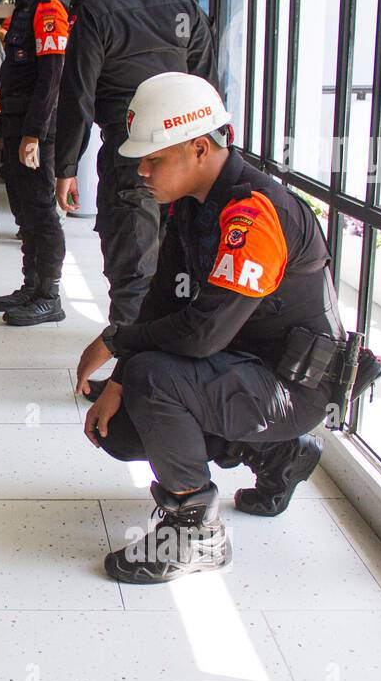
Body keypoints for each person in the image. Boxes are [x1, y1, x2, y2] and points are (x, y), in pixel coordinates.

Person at [74, 73, 341, 584]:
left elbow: (201, 336)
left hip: (295, 389)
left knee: (155, 378)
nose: (143, 172)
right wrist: (120, 374)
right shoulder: (195, 204)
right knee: (123, 425)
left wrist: (119, 345)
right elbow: (159, 301)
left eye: (154, 159)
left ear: (199, 148)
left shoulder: (256, 213)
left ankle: (197, 531)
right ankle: (278, 453)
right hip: (249, 370)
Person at [56, 0, 217, 327]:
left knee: (132, 272)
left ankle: (130, 383)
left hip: (132, 156)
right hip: (188, 160)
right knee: (180, 269)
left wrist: (66, 168)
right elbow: (206, 90)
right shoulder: (185, 6)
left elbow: (77, 95)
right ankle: (163, 374)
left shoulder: (94, 13)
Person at [0, 0, 72, 325]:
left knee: (41, 210)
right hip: (16, 123)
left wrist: (34, 134)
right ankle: (31, 285)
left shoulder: (48, 9)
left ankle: (49, 296)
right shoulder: (24, 8)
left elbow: (51, 77)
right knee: (24, 210)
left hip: (34, 129)